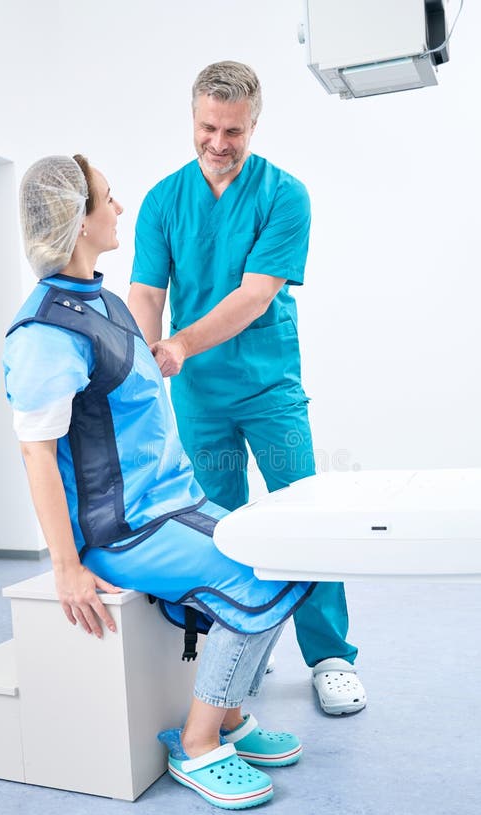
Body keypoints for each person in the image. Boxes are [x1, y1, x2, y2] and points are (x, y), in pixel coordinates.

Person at [3, 154, 317, 810]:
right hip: (125, 529)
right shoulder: (46, 331)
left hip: (173, 503)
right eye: (108, 198)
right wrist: (66, 568)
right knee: (262, 577)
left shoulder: (104, 302)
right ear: (78, 221)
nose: (119, 208)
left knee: (292, 553)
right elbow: (36, 453)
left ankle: (229, 716)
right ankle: (197, 743)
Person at [128, 60, 366, 716]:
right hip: (198, 393)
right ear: (193, 118)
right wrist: (142, 360)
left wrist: (179, 344)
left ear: (253, 125)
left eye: (233, 130)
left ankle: (331, 656)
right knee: (217, 529)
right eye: (208, 127)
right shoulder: (163, 201)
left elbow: (256, 295)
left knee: (304, 516)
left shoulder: (284, 195)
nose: (219, 142)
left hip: (269, 385)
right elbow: (146, 292)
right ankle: (238, 649)